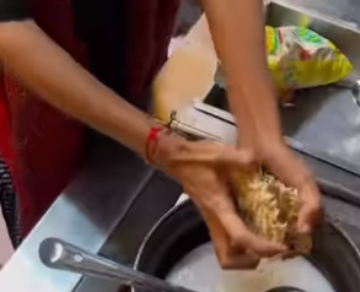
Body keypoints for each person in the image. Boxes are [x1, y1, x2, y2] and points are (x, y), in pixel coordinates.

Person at [0, 0, 322, 268]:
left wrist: (259, 123)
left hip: (134, 34)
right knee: (51, 202)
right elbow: (9, 27)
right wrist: (166, 149)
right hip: (41, 89)